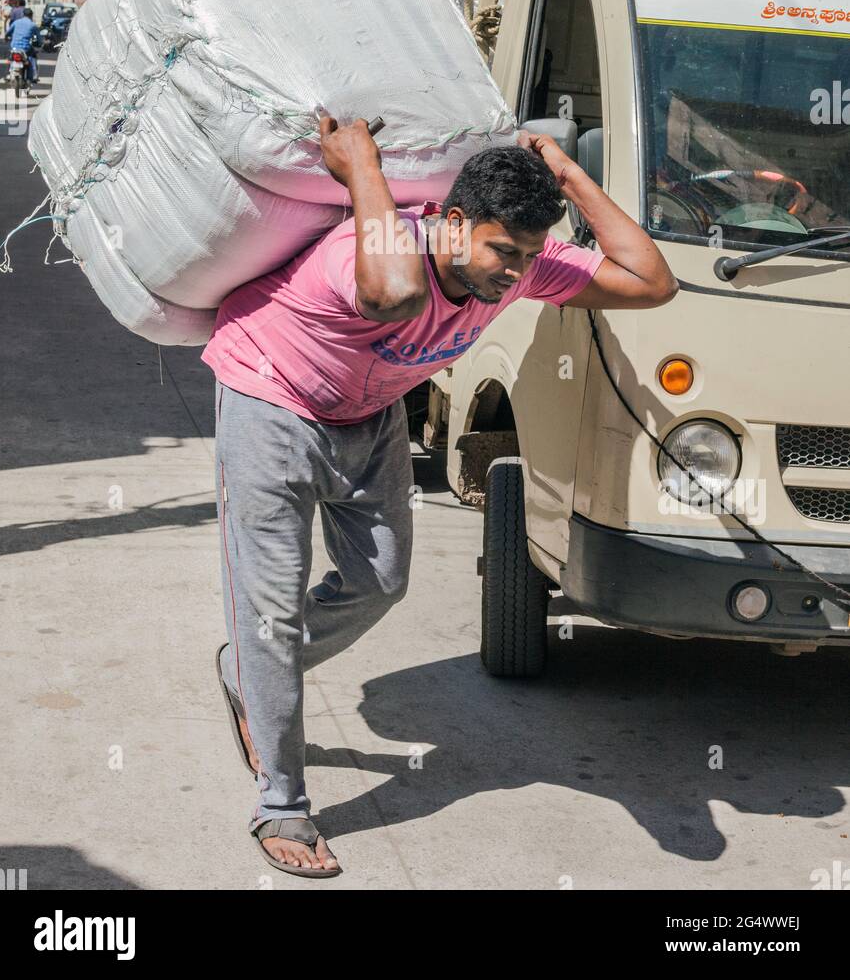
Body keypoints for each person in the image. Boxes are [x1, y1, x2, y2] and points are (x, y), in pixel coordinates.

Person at [202, 119, 677, 878]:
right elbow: (393, 294)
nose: (514, 273)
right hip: (271, 399)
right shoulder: (377, 252)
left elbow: (651, 282)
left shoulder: (516, 264)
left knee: (381, 582)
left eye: (527, 256)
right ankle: (282, 803)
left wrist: (566, 172)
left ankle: (254, 671)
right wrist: (360, 162)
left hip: (367, 414)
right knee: (270, 609)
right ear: (453, 224)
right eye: (501, 251)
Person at [8, 6, 41, 84]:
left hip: (14, 47)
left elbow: (8, 32)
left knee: (11, 57)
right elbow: (39, 39)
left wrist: (6, 37)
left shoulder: (16, 22)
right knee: (32, 56)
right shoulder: (33, 25)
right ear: (31, 15)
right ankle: (32, 76)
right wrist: (40, 44)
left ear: (23, 15)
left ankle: (9, 73)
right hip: (26, 48)